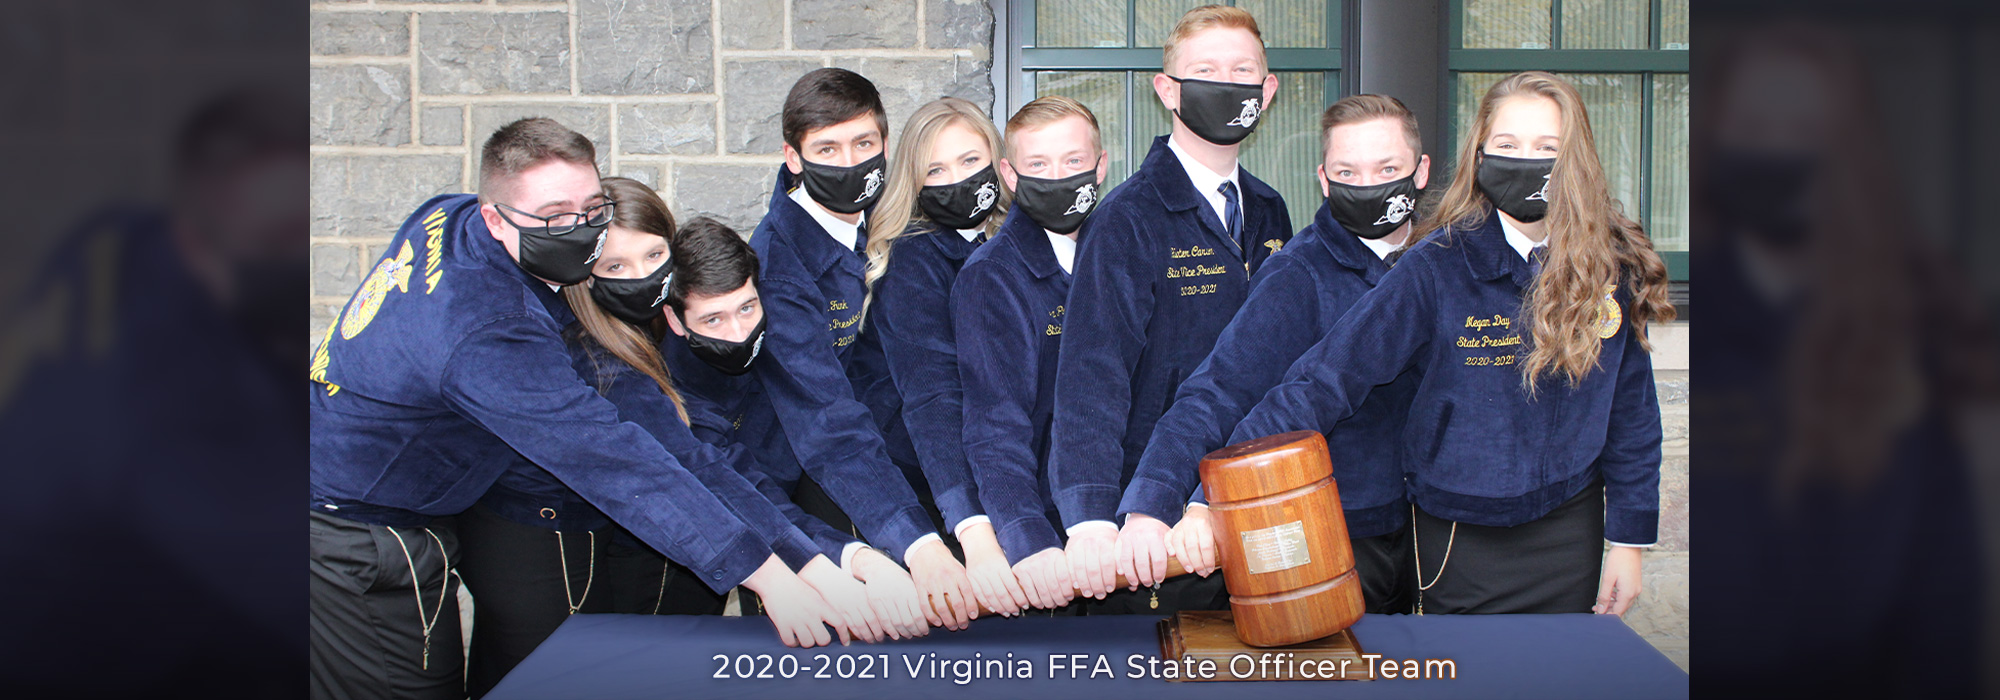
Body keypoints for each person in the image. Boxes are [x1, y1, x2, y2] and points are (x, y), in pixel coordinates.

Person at [308, 118, 848, 700]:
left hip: (385, 497)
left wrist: (807, 558)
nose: (581, 230)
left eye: (592, 209)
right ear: (496, 218)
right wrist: (769, 578)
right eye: (554, 217)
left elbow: (672, 446)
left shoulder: (451, 215)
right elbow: (618, 464)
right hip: (357, 528)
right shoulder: (491, 333)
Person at [453, 178, 922, 698]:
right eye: (615, 266)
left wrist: (845, 556)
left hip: (694, 534)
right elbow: (712, 470)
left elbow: (785, 451)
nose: (640, 276)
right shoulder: (608, 358)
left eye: (653, 256)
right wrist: (826, 565)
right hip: (579, 537)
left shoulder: (670, 326)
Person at [1227, 72, 1673, 616]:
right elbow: (1325, 380)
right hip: (1461, 535)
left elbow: (1631, 410)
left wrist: (1628, 541)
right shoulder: (1436, 265)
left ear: (1574, 158)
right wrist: (1216, 492)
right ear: (1480, 154)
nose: (1526, 161)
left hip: (1568, 526)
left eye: (1546, 148)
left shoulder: (1609, 265)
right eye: (1508, 145)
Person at [1117, 95, 1431, 615]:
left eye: (1387, 169)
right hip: (1338, 535)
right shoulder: (1298, 273)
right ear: (1324, 180)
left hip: (1437, 531)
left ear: (1419, 172)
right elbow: (1220, 390)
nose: (1368, 185)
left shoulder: (1443, 259)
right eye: (1347, 172)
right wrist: (1155, 502)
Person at [701, 67, 976, 629]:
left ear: (885, 144)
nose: (850, 163)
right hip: (812, 490)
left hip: (898, 469)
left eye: (863, 144)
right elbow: (824, 420)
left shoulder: (890, 219)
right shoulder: (778, 266)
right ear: (793, 157)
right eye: (827, 149)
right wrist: (917, 543)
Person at [1046, 4, 1291, 612]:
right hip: (1148, 527)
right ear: (1167, 90)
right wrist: (1092, 520)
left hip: (1250, 499)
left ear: (1267, 91)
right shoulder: (1127, 219)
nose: (1226, 84)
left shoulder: (1270, 210)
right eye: (1205, 70)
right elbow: (1091, 376)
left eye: (1242, 71)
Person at [857, 97, 1027, 616]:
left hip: (1007, 470)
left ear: (998, 161)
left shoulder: (1022, 237)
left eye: (970, 160)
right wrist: (975, 533)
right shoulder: (912, 258)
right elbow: (933, 397)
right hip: (934, 485)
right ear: (914, 182)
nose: (957, 180)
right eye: (935, 170)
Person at [955, 96, 1110, 613]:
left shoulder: (1124, 253)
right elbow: (994, 425)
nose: (1058, 177)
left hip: (1131, 527)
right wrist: (1028, 537)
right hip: (1052, 543)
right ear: (1010, 175)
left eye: (1073, 161)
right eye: (1038, 165)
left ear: (1100, 166)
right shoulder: (991, 278)